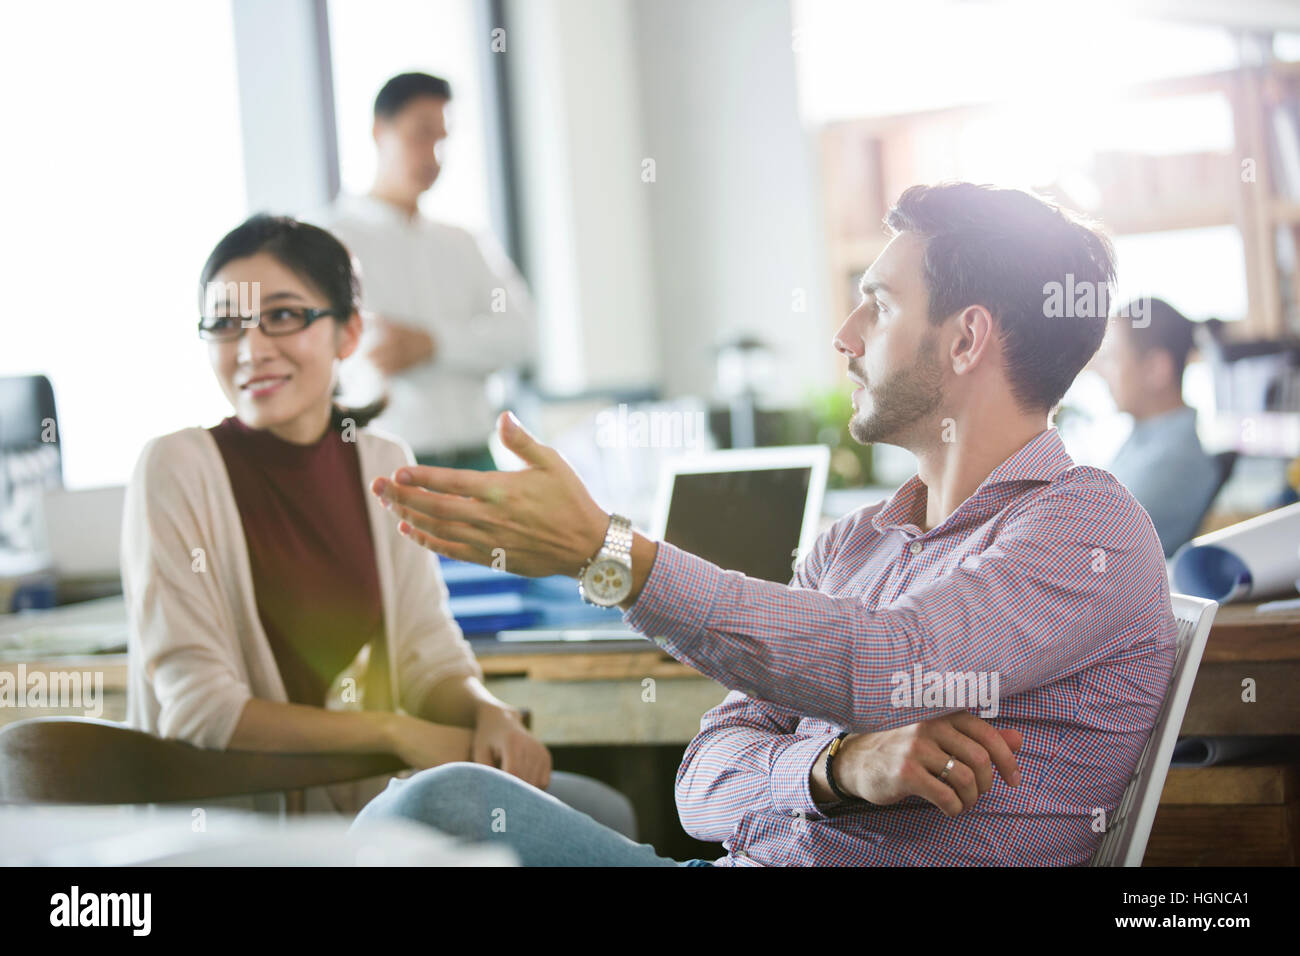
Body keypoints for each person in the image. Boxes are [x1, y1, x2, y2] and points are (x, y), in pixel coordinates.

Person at [357, 183, 1178, 866]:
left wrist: (610, 557)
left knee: (443, 804)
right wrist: (833, 768)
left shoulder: (1086, 526)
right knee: (431, 808)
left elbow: (892, 663)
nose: (843, 338)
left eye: (878, 307)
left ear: (967, 339)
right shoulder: (852, 544)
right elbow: (701, 783)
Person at [121, 215, 629, 831]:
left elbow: (427, 656)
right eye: (226, 324)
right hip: (246, 829)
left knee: (607, 809)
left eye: (282, 315)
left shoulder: (383, 462)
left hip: (366, 804)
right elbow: (201, 711)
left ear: (348, 333)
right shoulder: (176, 466)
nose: (252, 349)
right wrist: (397, 734)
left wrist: (485, 710)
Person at [314, 72, 536, 470]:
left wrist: (431, 344)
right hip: (386, 465)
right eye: (420, 134)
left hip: (479, 460)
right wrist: (467, 341)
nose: (433, 154)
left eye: (442, 138)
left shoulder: (463, 242)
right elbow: (361, 350)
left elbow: (522, 336)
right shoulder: (329, 238)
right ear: (380, 131)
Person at [1094, 298, 1220, 556]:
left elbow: (1087, 544)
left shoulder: (1173, 460)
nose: (1103, 374)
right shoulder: (1143, 438)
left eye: (1114, 360)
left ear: (1156, 369)